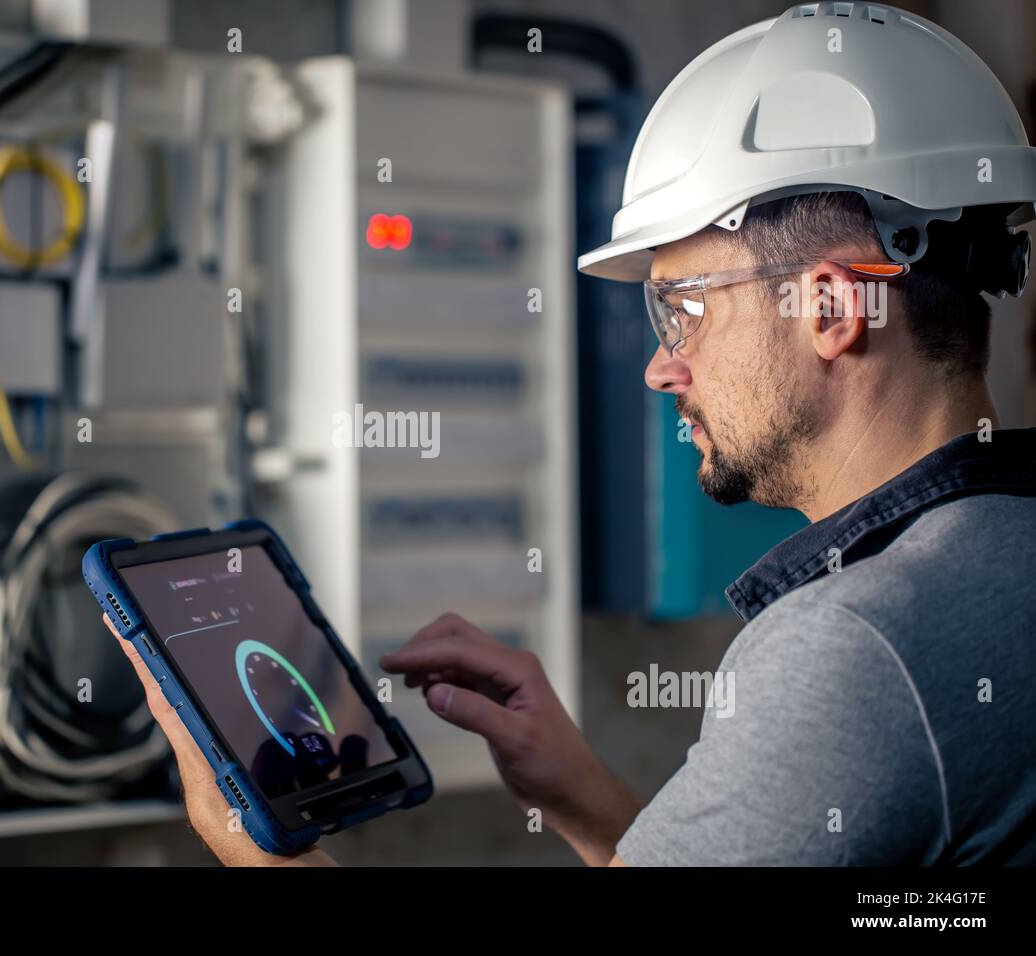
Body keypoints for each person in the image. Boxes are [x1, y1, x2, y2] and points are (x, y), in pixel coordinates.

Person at [112, 3, 1036, 865]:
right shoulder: (1003, 557)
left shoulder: (852, 647)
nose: (660, 365)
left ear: (829, 305)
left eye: (683, 308)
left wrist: (252, 846)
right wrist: (582, 793)